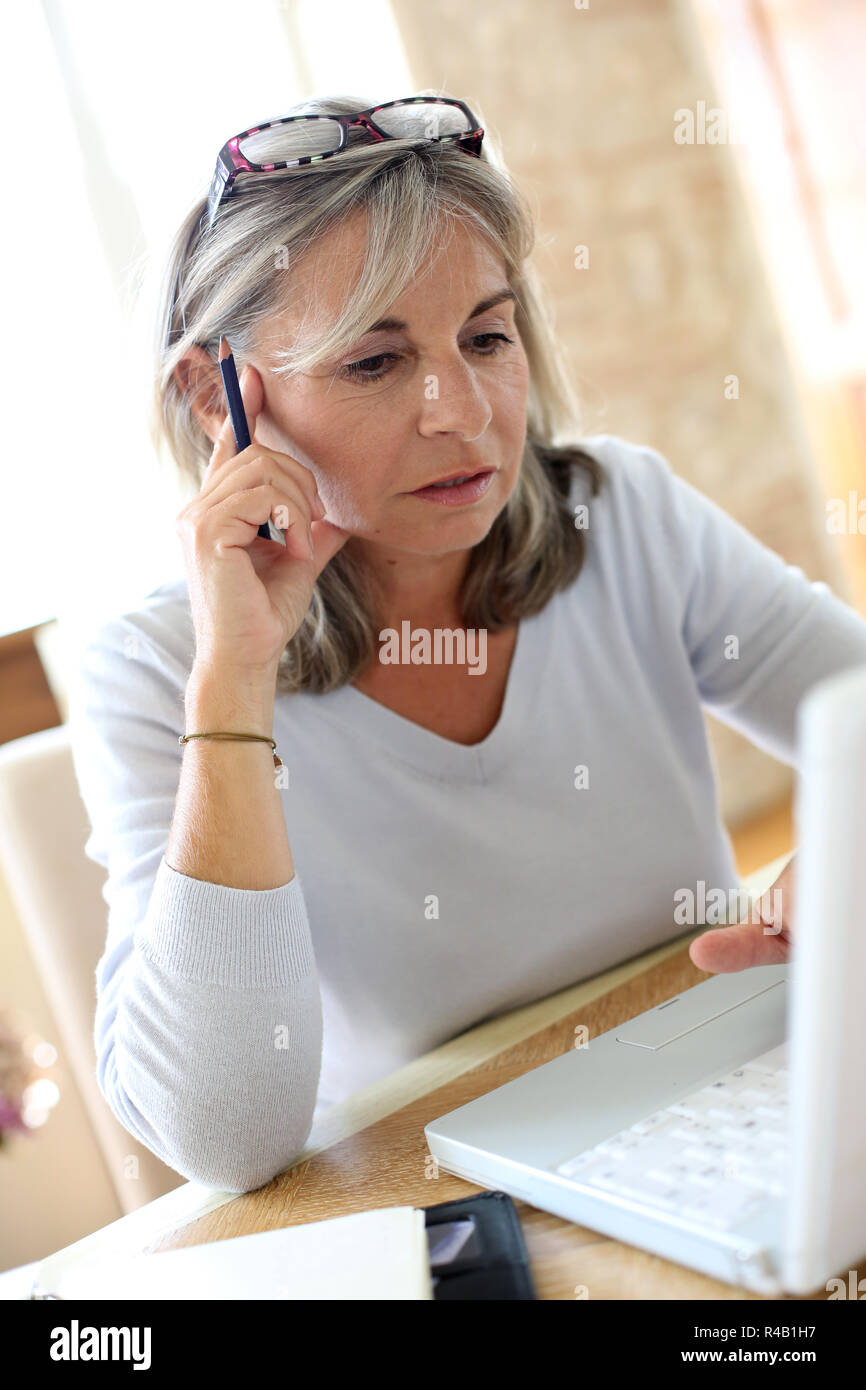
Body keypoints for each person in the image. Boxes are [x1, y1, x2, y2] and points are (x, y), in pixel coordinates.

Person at [69, 92, 866, 1195]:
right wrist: (237, 677)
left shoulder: (621, 512)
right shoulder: (156, 664)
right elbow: (224, 1137)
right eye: (373, 362)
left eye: (485, 336)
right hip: (436, 1187)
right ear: (220, 397)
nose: (462, 410)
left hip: (717, 1123)